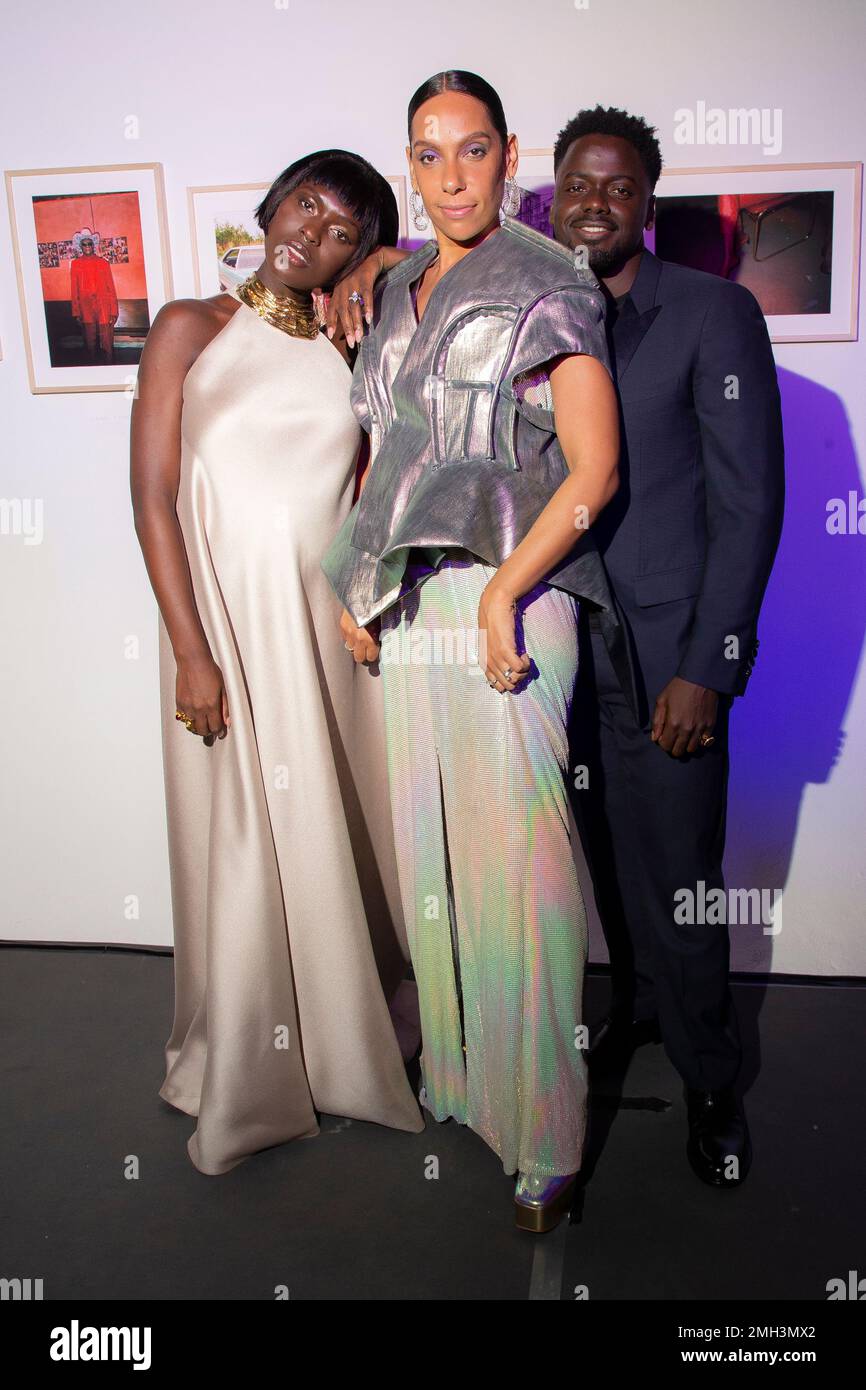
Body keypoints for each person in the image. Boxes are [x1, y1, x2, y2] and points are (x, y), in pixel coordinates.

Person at [321, 71, 628, 1232]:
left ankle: (545, 1133)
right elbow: (380, 454)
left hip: (513, 596)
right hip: (408, 606)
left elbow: (593, 471)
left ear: (508, 157)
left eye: (472, 151)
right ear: (408, 164)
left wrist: (504, 588)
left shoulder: (553, 280)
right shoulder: (393, 288)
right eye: (427, 154)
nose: (450, 175)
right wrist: (357, 575)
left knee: (527, 872)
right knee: (436, 858)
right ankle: (463, 1085)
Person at [130, 150, 424, 1176]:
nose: (315, 231)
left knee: (340, 830)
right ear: (269, 202)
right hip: (222, 629)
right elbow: (154, 497)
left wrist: (371, 267)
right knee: (247, 838)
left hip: (329, 635)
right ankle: (246, 1069)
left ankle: (348, 1041)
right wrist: (187, 650)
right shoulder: (188, 326)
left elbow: (366, 490)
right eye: (307, 202)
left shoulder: (356, 342)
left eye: (345, 228)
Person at [550, 106, 785, 1187]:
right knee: (598, 866)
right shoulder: (531, 308)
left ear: (647, 199)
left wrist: (706, 665)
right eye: (576, 184)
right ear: (549, 192)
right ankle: (636, 1008)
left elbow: (748, 506)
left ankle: (708, 1078)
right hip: (556, 651)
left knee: (682, 879)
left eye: (617, 185)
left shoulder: (712, 312)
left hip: (663, 659)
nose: (593, 202)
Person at [70, 230, 118, 363]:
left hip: (103, 305)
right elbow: (74, 290)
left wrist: (113, 311)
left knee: (107, 339)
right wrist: (76, 312)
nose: (87, 247)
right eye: (84, 244)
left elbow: (111, 288)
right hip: (86, 307)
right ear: (81, 246)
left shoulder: (103, 263)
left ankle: (110, 364)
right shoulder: (75, 264)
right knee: (89, 340)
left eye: (89, 244)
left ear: (93, 245)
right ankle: (91, 367)